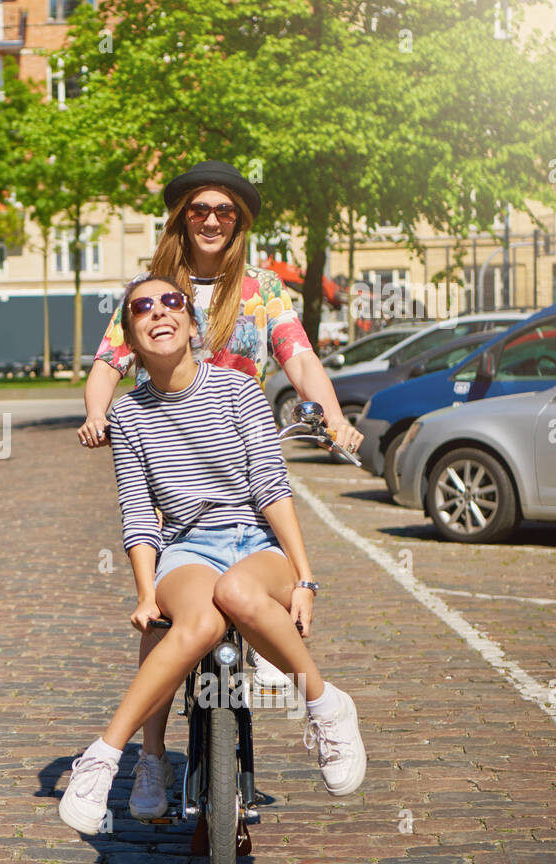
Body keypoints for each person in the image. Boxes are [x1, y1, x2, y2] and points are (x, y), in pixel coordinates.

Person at [77, 161, 363, 819]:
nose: (211, 219)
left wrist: (335, 415)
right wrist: (98, 414)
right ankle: (150, 757)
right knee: (162, 610)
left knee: (248, 577)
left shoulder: (260, 288)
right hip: (173, 461)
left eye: (225, 211)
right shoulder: (154, 291)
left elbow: (297, 356)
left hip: (242, 457)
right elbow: (108, 363)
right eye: (199, 209)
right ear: (181, 217)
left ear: (239, 222)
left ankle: (291, 680)